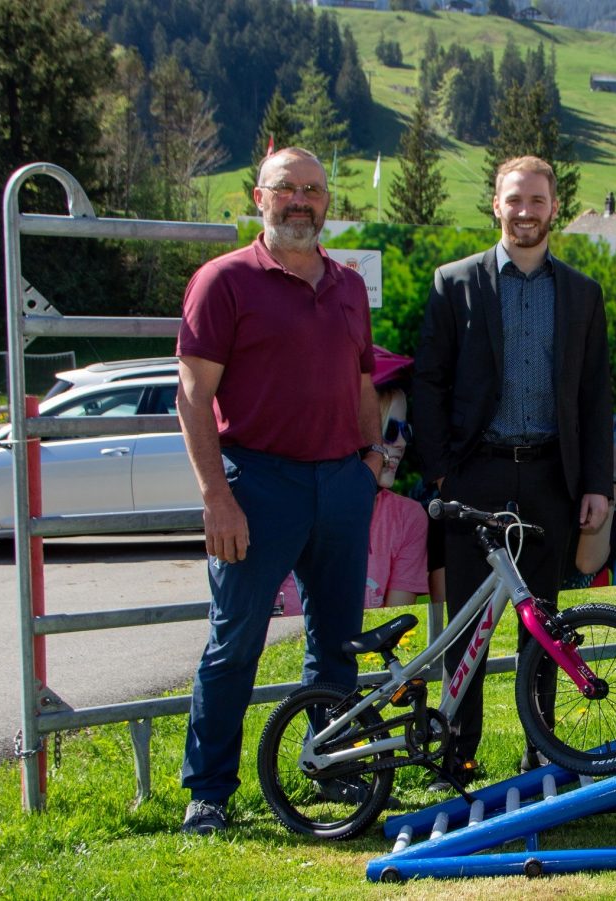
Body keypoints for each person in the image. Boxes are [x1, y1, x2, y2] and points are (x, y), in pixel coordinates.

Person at [176, 147, 382, 835]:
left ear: (329, 201)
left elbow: (361, 384)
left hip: (340, 482)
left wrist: (371, 463)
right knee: (234, 642)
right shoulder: (223, 281)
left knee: (337, 643)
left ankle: (332, 765)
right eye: (286, 188)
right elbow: (193, 398)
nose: (301, 200)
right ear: (258, 196)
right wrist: (216, 496)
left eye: (314, 190)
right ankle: (208, 791)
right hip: (257, 483)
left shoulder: (349, 285)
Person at [412, 155, 613, 784]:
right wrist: (443, 473)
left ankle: (542, 753)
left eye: (537, 201)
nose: (525, 212)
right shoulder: (456, 282)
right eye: (514, 200)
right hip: (476, 477)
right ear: (495, 205)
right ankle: (458, 754)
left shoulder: (581, 293)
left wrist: (595, 485)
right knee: (467, 623)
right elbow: (429, 383)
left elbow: (593, 396)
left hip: (552, 477)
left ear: (555, 207)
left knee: (544, 622)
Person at [273, 346, 431, 615]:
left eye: (407, 430)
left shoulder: (408, 518)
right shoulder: (286, 510)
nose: (403, 442)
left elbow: (394, 627)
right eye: (391, 430)